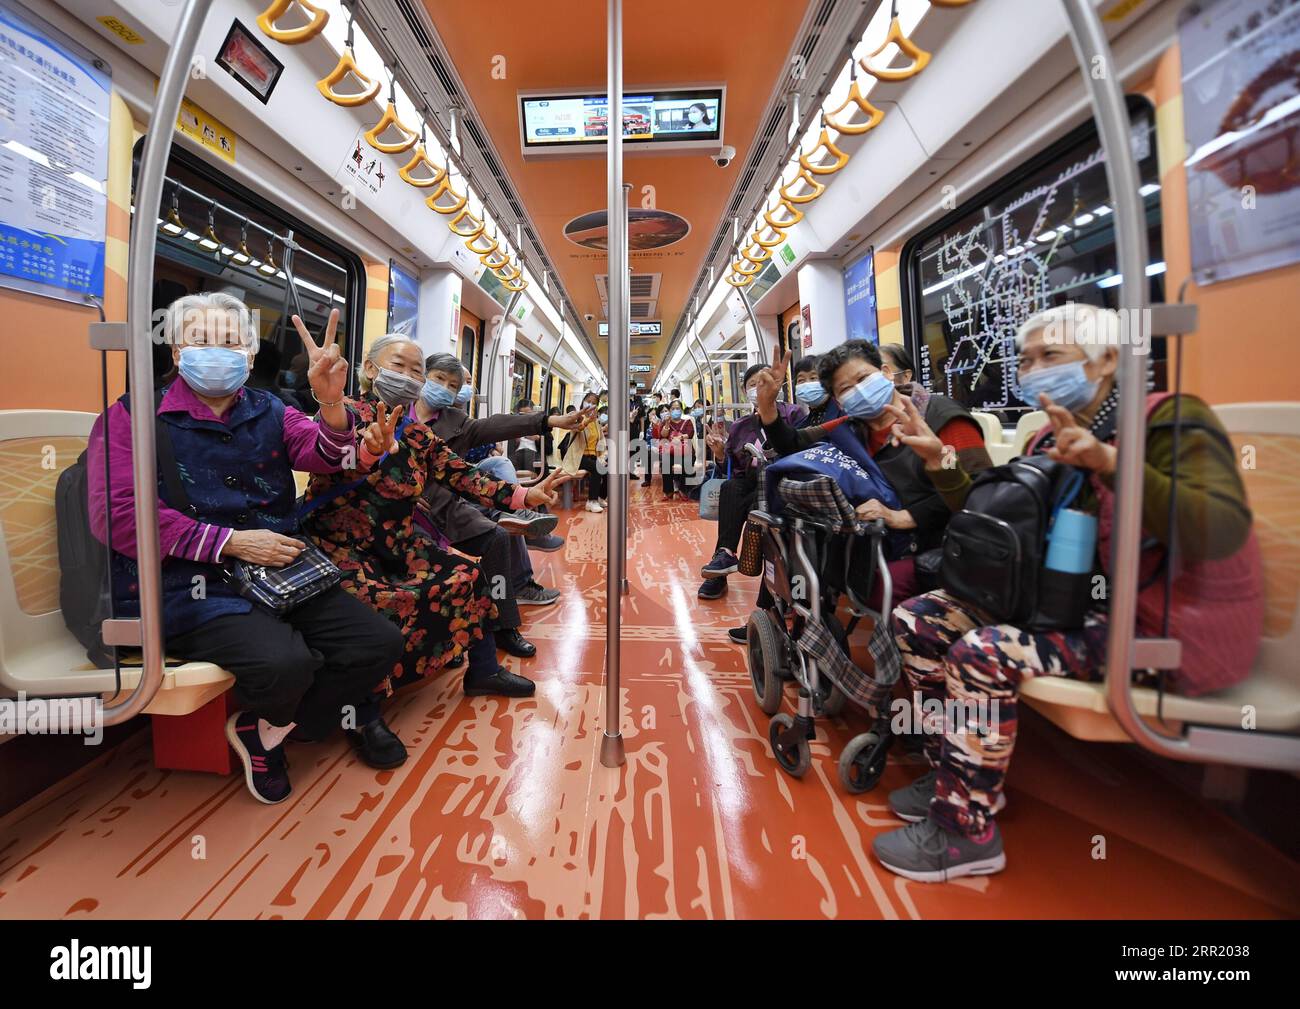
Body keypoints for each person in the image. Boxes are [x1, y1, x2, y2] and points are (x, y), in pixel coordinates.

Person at [872, 304, 1262, 881]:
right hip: (1071, 603)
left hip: (1162, 626)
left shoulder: (1170, 420)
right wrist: (940, 458)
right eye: (1026, 360)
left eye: (1051, 357)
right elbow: (1001, 528)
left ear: (1108, 358)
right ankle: (959, 770)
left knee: (982, 654)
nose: (1033, 371)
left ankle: (964, 835)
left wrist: (1110, 463)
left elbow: (1220, 529)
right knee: (918, 620)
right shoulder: (1052, 435)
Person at [88, 293, 404, 804]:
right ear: (174, 350)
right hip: (183, 582)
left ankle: (270, 727)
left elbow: (325, 455)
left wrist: (332, 405)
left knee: (378, 643)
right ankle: (276, 729)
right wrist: (229, 542)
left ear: (251, 354)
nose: (216, 351)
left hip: (277, 570)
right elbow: (115, 513)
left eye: (231, 341)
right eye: (200, 339)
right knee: (284, 664)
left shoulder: (270, 409)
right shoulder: (132, 415)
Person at [303, 338, 571, 714]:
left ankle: (482, 672)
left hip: (396, 543)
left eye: (416, 370)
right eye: (399, 366)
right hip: (341, 546)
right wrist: (366, 452)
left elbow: (464, 477)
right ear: (370, 369)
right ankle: (364, 712)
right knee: (380, 605)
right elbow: (333, 455)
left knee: (469, 576)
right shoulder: (342, 415)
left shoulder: (417, 434)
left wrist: (526, 497)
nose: (409, 377)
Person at [758, 339, 991, 602]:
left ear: (886, 373)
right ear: (838, 401)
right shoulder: (853, 427)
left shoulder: (941, 418)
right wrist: (767, 406)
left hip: (939, 539)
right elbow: (792, 443)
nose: (859, 390)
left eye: (864, 378)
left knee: (871, 585)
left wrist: (906, 515)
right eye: (846, 388)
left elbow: (977, 492)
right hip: (877, 537)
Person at [415, 352, 593, 644]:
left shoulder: (456, 420)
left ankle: (503, 621)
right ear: (423, 377)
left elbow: (500, 425)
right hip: (404, 510)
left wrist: (551, 420)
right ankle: (517, 516)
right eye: (439, 380)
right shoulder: (388, 414)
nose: (446, 389)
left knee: (498, 536)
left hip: (448, 503)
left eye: (453, 385)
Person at [698, 364, 806, 600]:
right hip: (751, 482)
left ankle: (772, 596)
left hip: (784, 481)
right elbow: (733, 469)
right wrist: (719, 455)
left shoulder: (793, 414)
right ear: (745, 391)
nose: (759, 388)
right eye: (752, 385)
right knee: (730, 489)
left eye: (764, 381)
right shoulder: (739, 426)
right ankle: (724, 556)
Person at [656, 399, 695, 499]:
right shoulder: (665, 423)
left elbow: (690, 434)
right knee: (665, 460)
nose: (675, 410)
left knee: (687, 461)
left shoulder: (687, 422)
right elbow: (663, 436)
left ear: (681, 410)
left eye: (678, 408)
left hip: (685, 450)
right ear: (669, 410)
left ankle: (683, 489)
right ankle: (668, 490)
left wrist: (679, 438)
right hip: (670, 451)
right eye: (673, 409)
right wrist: (667, 424)